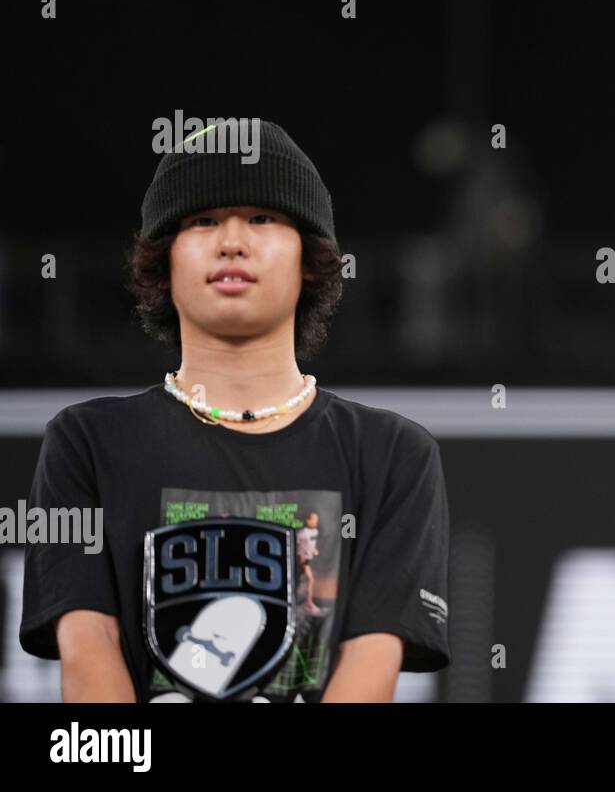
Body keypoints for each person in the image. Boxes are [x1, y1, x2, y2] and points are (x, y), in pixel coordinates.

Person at [20, 119, 451, 702]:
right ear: (162, 264)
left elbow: (372, 661)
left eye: (263, 218)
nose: (232, 241)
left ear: (310, 260)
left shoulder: (395, 454)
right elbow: (87, 648)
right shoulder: (87, 443)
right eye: (201, 220)